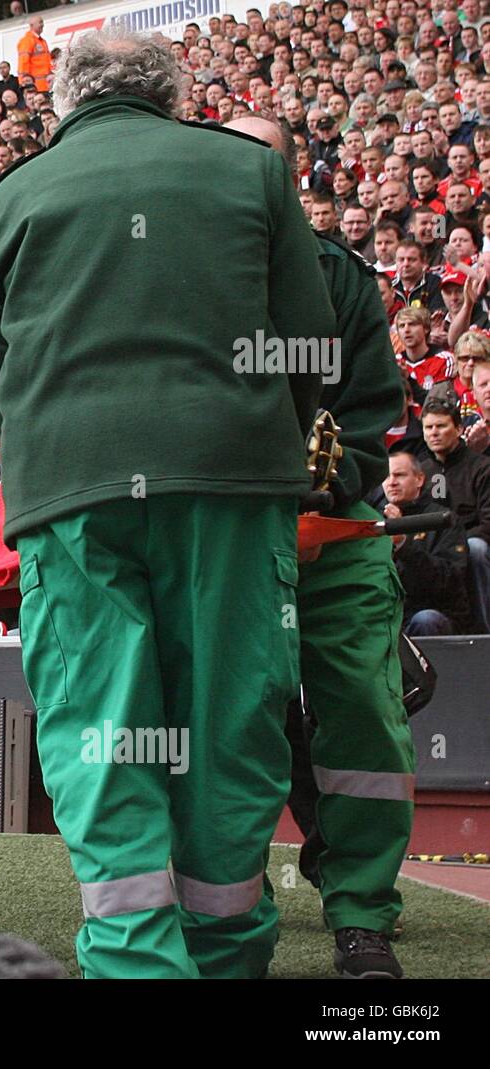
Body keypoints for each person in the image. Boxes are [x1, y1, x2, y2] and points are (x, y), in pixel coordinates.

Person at [0, 30, 335, 980]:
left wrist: (51, 455)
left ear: (65, 101)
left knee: (102, 723)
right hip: (232, 480)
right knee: (229, 722)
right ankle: (225, 953)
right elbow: (308, 340)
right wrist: (263, 446)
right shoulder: (250, 172)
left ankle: (135, 963)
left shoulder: (4, 200)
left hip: (70, 496)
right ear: (175, 94)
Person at [232, 114, 414, 979]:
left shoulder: (344, 279)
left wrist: (329, 484)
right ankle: (238, 913)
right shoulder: (183, 274)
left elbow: (376, 410)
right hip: (228, 541)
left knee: (363, 719)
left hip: (338, 538)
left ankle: (364, 912)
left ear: (291, 177)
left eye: (258, 160)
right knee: (240, 721)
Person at [416, 395, 490, 628]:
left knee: (477, 549)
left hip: (470, 541)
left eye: (441, 426)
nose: (434, 433)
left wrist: (454, 542)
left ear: (458, 429)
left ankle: (484, 629)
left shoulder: (481, 467)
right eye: (428, 427)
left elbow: (489, 522)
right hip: (432, 547)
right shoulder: (420, 472)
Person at [383, 449, 472, 635]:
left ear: (419, 479)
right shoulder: (374, 520)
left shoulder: (443, 519)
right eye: (387, 476)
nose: (392, 482)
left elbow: (449, 580)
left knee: (426, 620)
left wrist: (403, 545)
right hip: (389, 613)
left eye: (399, 475)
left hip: (433, 613)